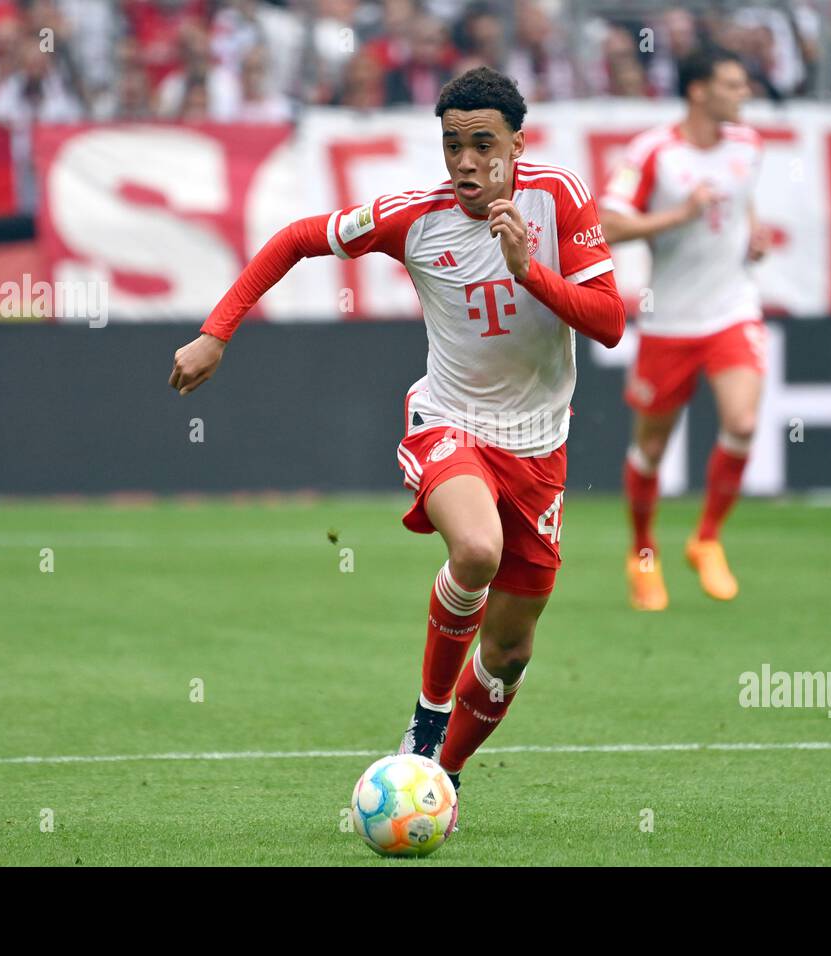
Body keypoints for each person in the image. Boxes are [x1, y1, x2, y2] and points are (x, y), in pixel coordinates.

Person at [167, 67, 625, 792]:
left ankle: (439, 777)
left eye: (484, 145)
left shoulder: (559, 197)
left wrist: (528, 270)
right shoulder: (413, 216)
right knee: (476, 549)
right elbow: (294, 239)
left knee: (508, 652)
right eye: (452, 146)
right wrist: (216, 333)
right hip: (450, 421)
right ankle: (427, 719)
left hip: (540, 447)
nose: (468, 162)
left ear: (518, 144)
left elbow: (609, 323)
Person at [600, 48, 769, 611]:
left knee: (742, 421)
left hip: (732, 308)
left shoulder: (748, 145)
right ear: (699, 91)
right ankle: (643, 554)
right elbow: (608, 224)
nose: (743, 94)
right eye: (732, 83)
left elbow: (743, 202)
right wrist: (679, 216)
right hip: (670, 319)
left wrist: (753, 232)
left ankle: (707, 539)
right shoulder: (654, 152)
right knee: (650, 448)